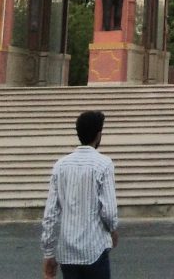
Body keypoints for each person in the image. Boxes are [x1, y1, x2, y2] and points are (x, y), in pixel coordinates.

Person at [41, 109, 118, 279]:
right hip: (94, 250)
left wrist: (48, 253)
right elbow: (109, 211)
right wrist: (113, 230)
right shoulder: (104, 164)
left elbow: (51, 215)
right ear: (98, 135)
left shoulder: (60, 166)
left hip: (67, 252)